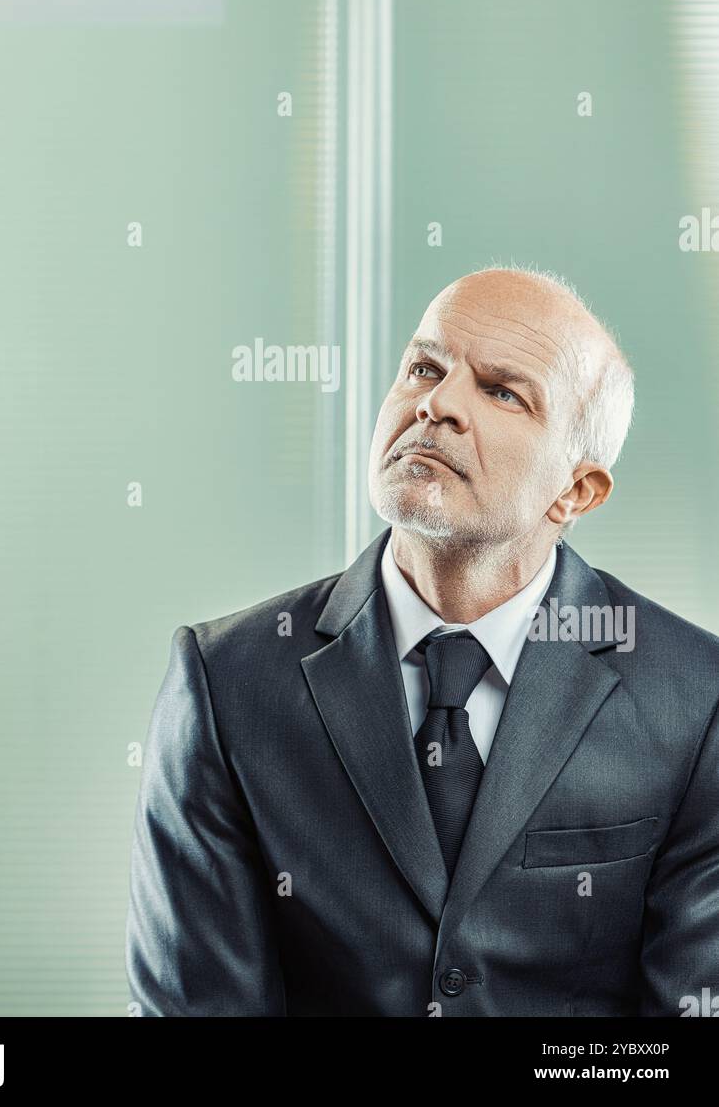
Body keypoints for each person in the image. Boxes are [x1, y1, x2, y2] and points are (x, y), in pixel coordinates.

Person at [125, 266, 719, 1016]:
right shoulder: (225, 683)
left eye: (502, 392)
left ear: (577, 491)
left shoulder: (697, 700)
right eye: (425, 368)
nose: (436, 405)